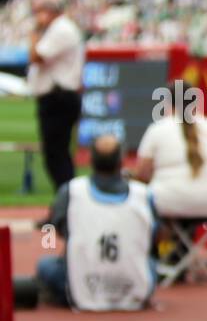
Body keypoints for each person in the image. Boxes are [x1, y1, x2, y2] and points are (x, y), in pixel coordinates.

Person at [36, 133, 155, 311]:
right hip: (133, 285)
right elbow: (155, 235)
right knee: (152, 265)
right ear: (121, 160)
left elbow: (57, 229)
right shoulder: (144, 195)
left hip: (81, 283)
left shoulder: (70, 191)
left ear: (91, 159)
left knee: (46, 264)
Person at [134, 81, 207, 218]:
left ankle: (163, 237)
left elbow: (142, 174)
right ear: (196, 103)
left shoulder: (158, 129)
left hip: (167, 202)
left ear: (167, 103)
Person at [28, 0, 85, 191]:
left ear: (49, 11)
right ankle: (65, 205)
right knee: (57, 156)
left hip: (58, 99)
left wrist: (34, 32)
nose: (36, 16)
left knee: (56, 157)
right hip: (58, 98)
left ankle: (67, 205)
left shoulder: (61, 29)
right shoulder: (60, 29)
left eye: (38, 12)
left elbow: (36, 56)